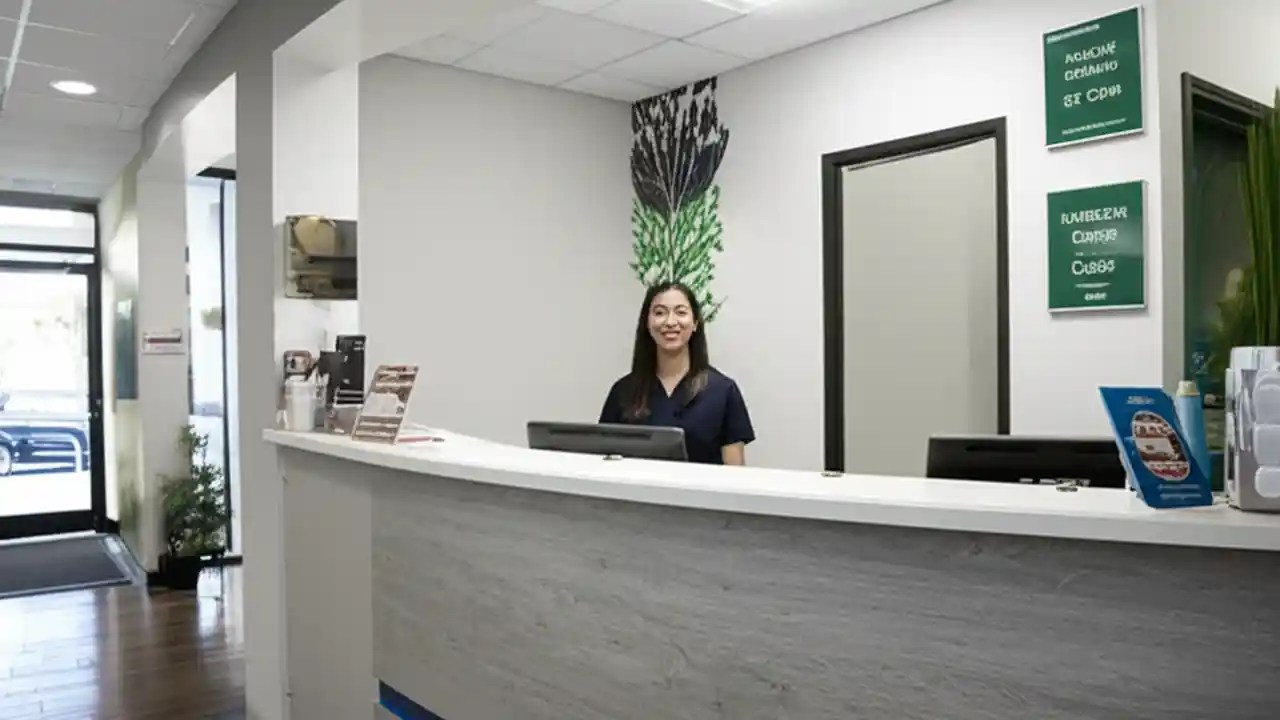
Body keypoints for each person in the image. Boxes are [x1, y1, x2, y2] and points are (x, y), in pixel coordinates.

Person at [599, 281, 755, 465]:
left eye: (681, 312)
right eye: (659, 313)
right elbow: (604, 463)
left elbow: (735, 477)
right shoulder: (623, 391)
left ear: (695, 322)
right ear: (647, 324)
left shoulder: (724, 391)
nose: (670, 322)